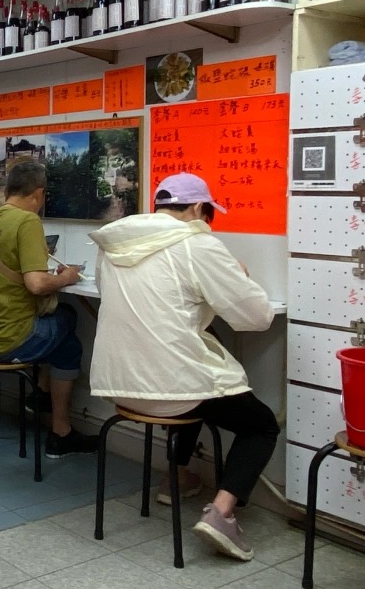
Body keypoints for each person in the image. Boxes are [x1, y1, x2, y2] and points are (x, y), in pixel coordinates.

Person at [89, 172, 279, 562]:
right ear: (196, 209)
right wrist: (238, 277)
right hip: (171, 390)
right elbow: (256, 316)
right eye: (207, 214)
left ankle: (175, 476)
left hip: (118, 384)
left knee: (192, 386)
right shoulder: (196, 244)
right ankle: (222, 513)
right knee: (260, 424)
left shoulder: (114, 243)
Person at [0, 159, 98, 457]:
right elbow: (37, 285)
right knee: (69, 323)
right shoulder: (27, 221)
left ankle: (42, 397)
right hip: (11, 337)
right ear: (38, 193)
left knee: (64, 336)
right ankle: (57, 426)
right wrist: (68, 277)